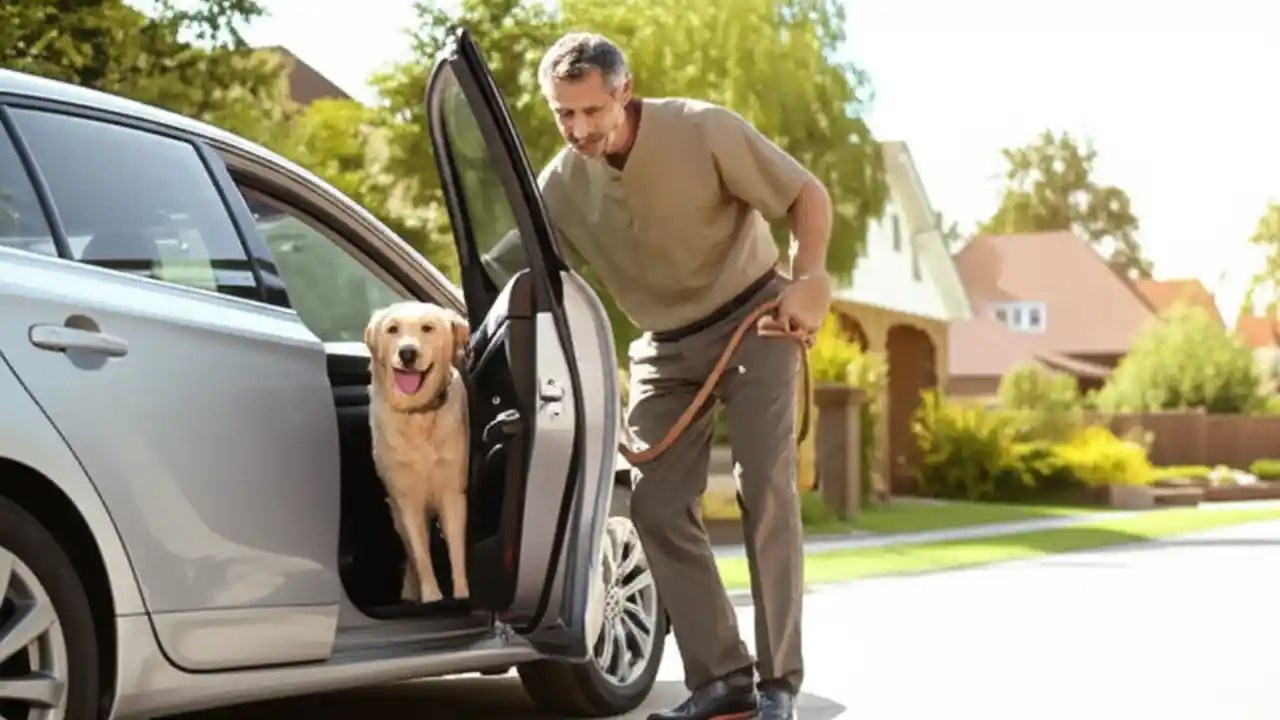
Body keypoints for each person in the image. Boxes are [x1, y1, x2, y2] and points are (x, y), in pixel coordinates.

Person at [489, 31, 834, 720]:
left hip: (756, 320)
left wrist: (811, 278)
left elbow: (807, 194)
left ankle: (779, 684)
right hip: (665, 348)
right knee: (652, 505)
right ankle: (722, 679)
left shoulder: (701, 129)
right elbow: (505, 274)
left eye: (591, 111)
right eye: (564, 114)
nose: (580, 129)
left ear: (625, 90)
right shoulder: (559, 186)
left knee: (763, 486)